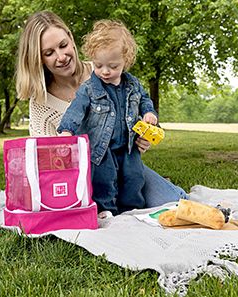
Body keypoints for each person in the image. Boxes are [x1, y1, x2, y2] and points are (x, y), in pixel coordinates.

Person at [15, 11, 187, 211]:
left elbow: (133, 107)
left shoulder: (105, 68)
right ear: (39, 59)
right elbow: (46, 165)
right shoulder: (41, 103)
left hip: (123, 161)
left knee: (174, 201)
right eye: (49, 53)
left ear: (71, 39)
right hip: (81, 175)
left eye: (63, 45)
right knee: (103, 207)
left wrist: (143, 136)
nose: (61, 57)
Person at [57, 20, 158, 216]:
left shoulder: (133, 85)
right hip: (101, 150)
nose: (104, 71)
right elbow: (76, 109)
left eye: (113, 66)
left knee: (134, 177)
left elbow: (145, 100)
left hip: (129, 145)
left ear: (125, 61)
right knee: (104, 179)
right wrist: (67, 130)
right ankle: (105, 210)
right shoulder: (89, 89)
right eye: (98, 65)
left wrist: (149, 114)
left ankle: (131, 210)